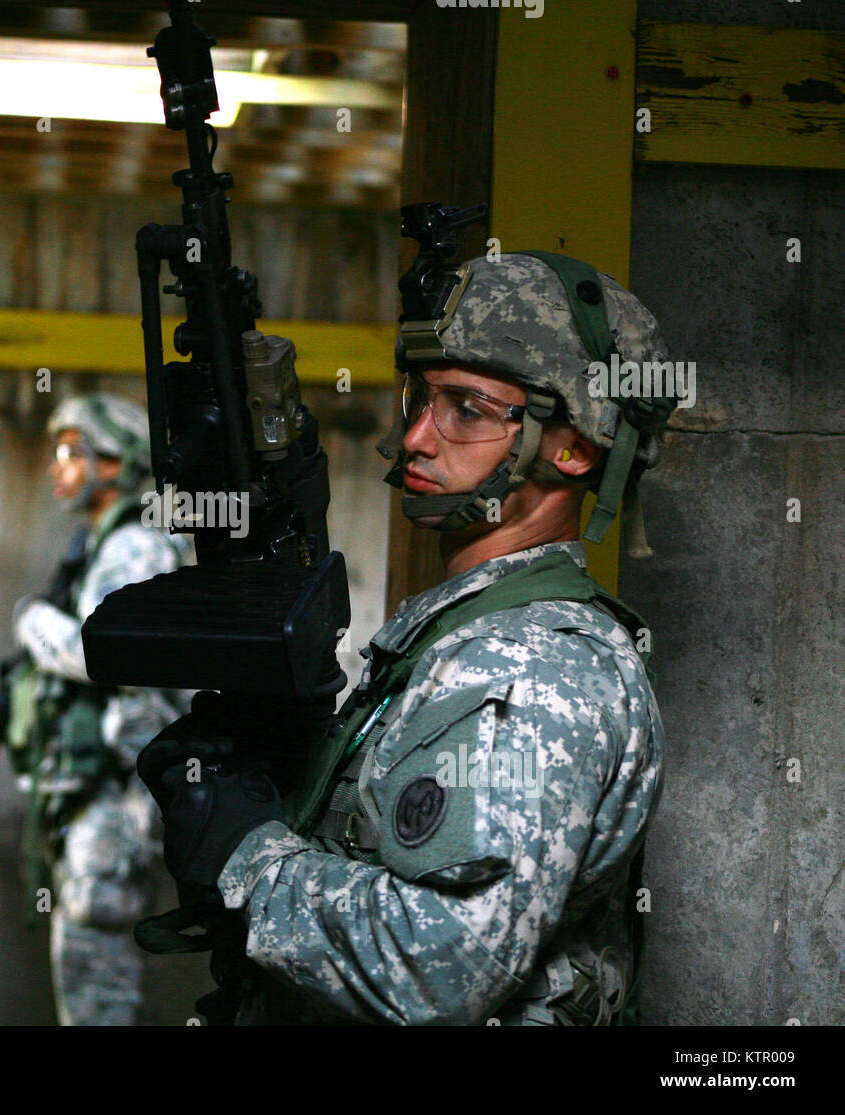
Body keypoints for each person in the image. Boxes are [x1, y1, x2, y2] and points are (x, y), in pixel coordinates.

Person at [138, 251, 676, 1025]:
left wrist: (245, 859)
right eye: (420, 400)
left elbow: (441, 964)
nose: (417, 437)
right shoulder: (467, 632)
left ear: (574, 447)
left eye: (467, 410)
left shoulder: (533, 664)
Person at [0, 392, 185, 1026]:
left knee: (95, 981)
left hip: (114, 795)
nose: (57, 467)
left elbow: (99, 651)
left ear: (115, 462)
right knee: (82, 972)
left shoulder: (136, 544)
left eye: (70, 451)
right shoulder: (101, 542)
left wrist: (34, 621)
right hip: (91, 793)